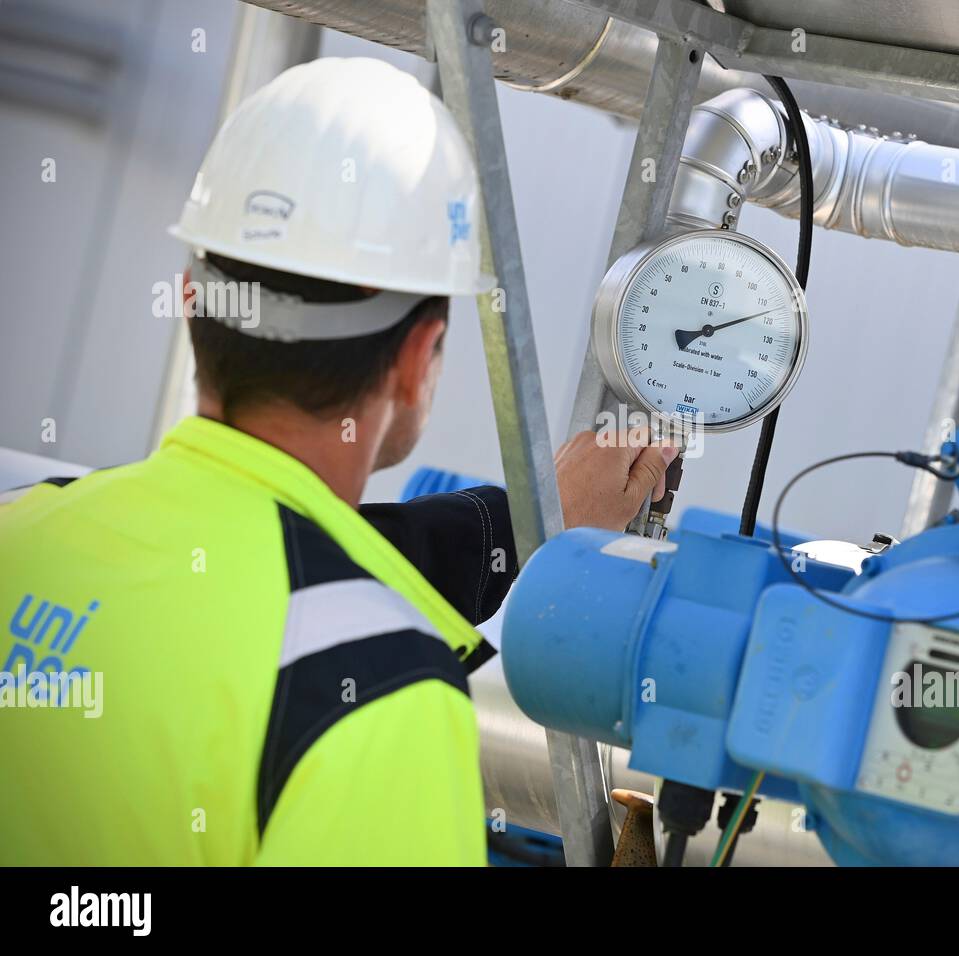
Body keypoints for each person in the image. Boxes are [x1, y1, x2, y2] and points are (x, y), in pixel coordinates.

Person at [0, 57, 677, 865]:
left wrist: (530, 521)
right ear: (419, 356)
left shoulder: (27, 529)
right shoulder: (379, 691)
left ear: (192, 305)